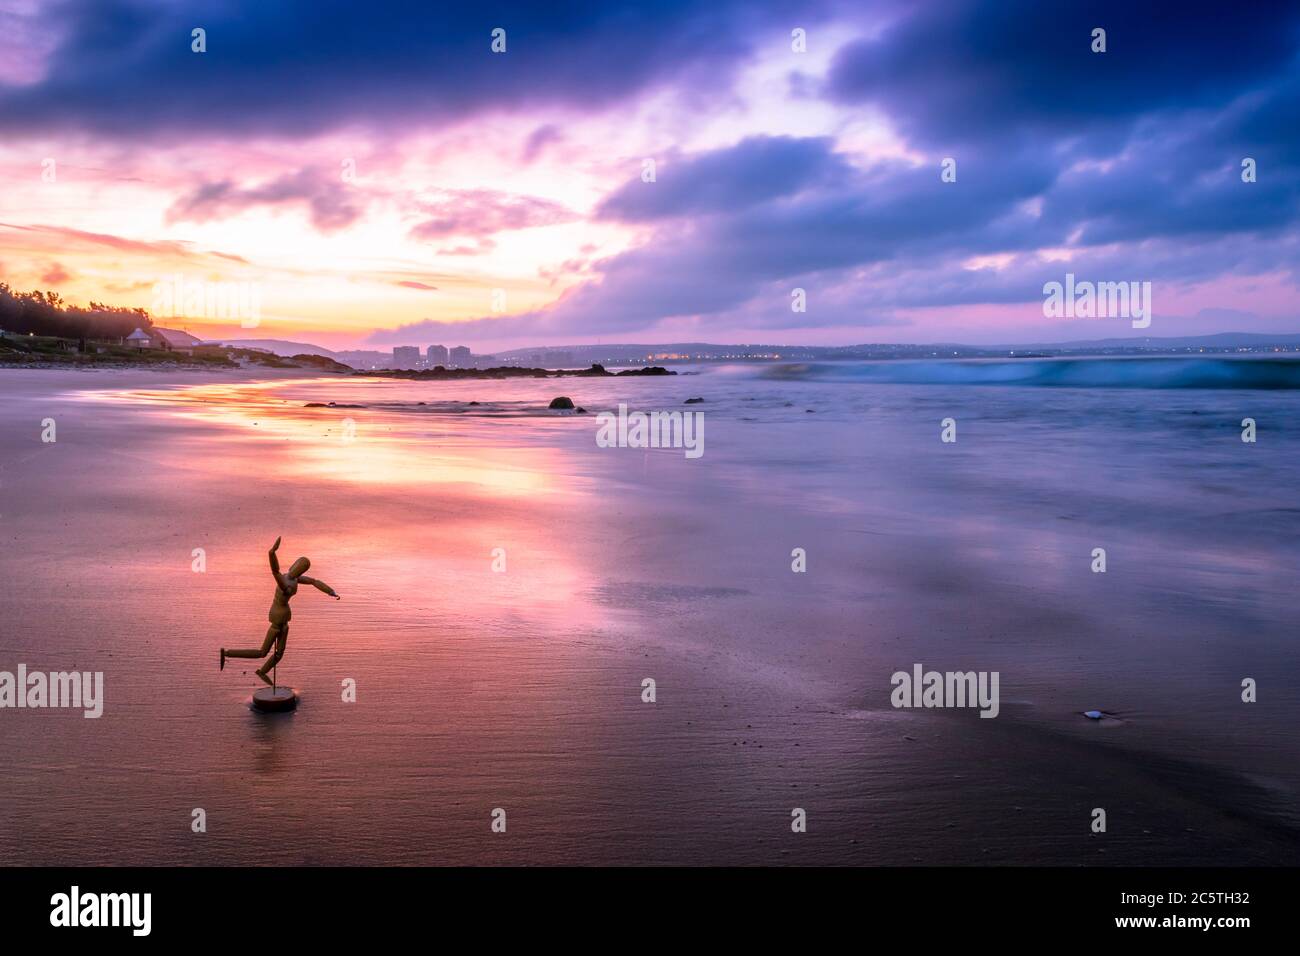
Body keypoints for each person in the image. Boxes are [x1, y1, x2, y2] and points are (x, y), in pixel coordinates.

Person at [220, 537, 339, 686]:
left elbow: (314, 581)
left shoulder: (295, 580)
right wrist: (272, 553)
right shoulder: (285, 584)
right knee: (262, 652)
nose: (298, 570)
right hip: (277, 616)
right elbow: (274, 571)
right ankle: (227, 653)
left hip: (285, 617)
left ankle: (262, 672)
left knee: (279, 653)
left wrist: (330, 591)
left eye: (302, 568)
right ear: (294, 566)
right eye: (299, 566)